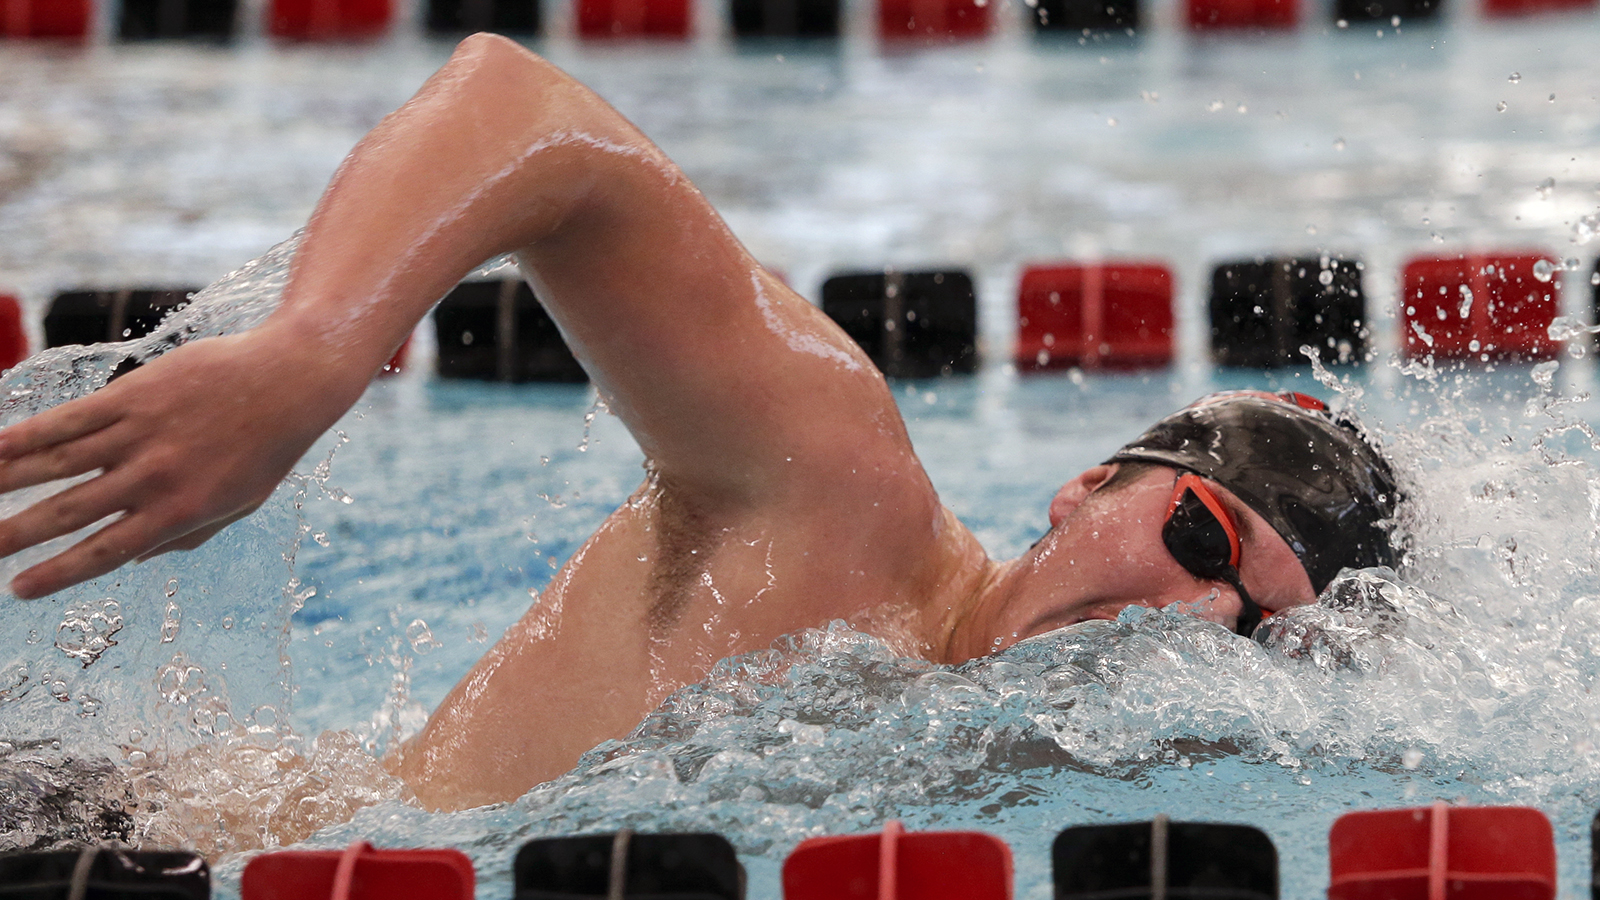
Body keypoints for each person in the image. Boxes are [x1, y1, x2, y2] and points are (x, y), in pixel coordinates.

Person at [0, 34, 1399, 812]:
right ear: (1091, 482)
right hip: (117, 834)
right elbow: (521, 105)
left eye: (1254, 628)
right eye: (1204, 535)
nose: (1196, 622)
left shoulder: (995, 782)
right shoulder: (834, 485)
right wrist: (312, 354)